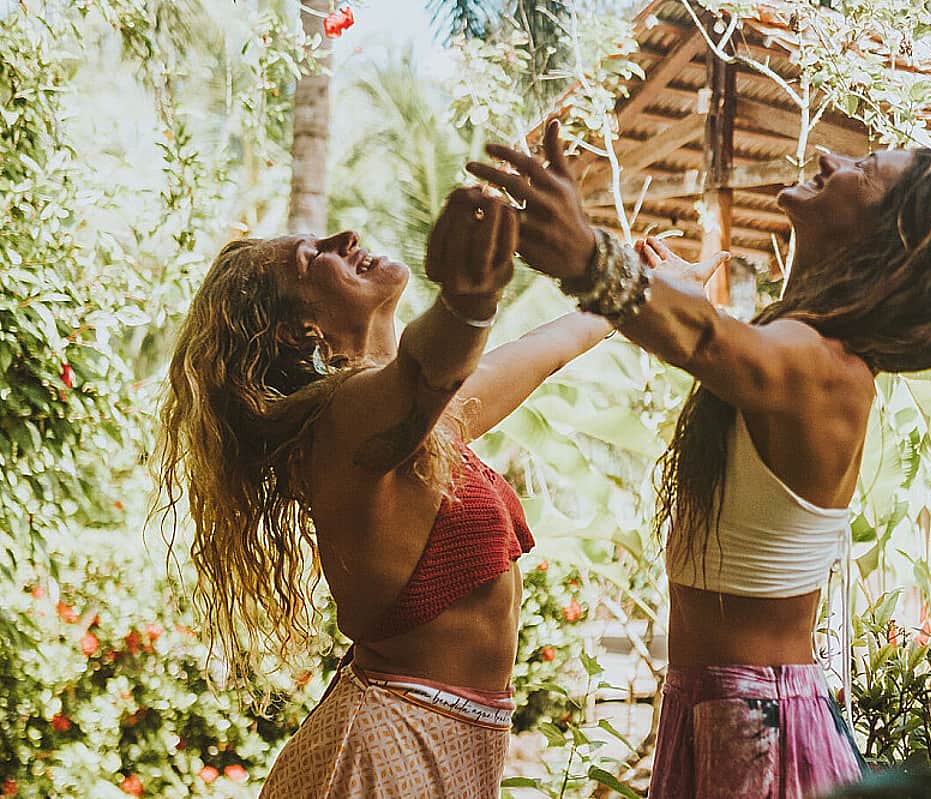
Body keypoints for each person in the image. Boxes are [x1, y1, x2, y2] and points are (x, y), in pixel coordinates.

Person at [467, 121, 931, 799]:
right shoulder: (800, 349)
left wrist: (588, 255)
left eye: (862, 171)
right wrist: (666, 290)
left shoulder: (830, 371)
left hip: (758, 727)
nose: (829, 156)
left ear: (887, 243)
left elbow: (712, 342)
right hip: (723, 708)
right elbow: (724, 341)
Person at [153, 185, 717, 797]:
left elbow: (540, 351)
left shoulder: (424, 424)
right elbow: (430, 365)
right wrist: (471, 294)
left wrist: (642, 287)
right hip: (385, 753)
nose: (344, 239)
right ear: (299, 331)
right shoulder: (344, 423)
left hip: (432, 741)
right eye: (313, 259)